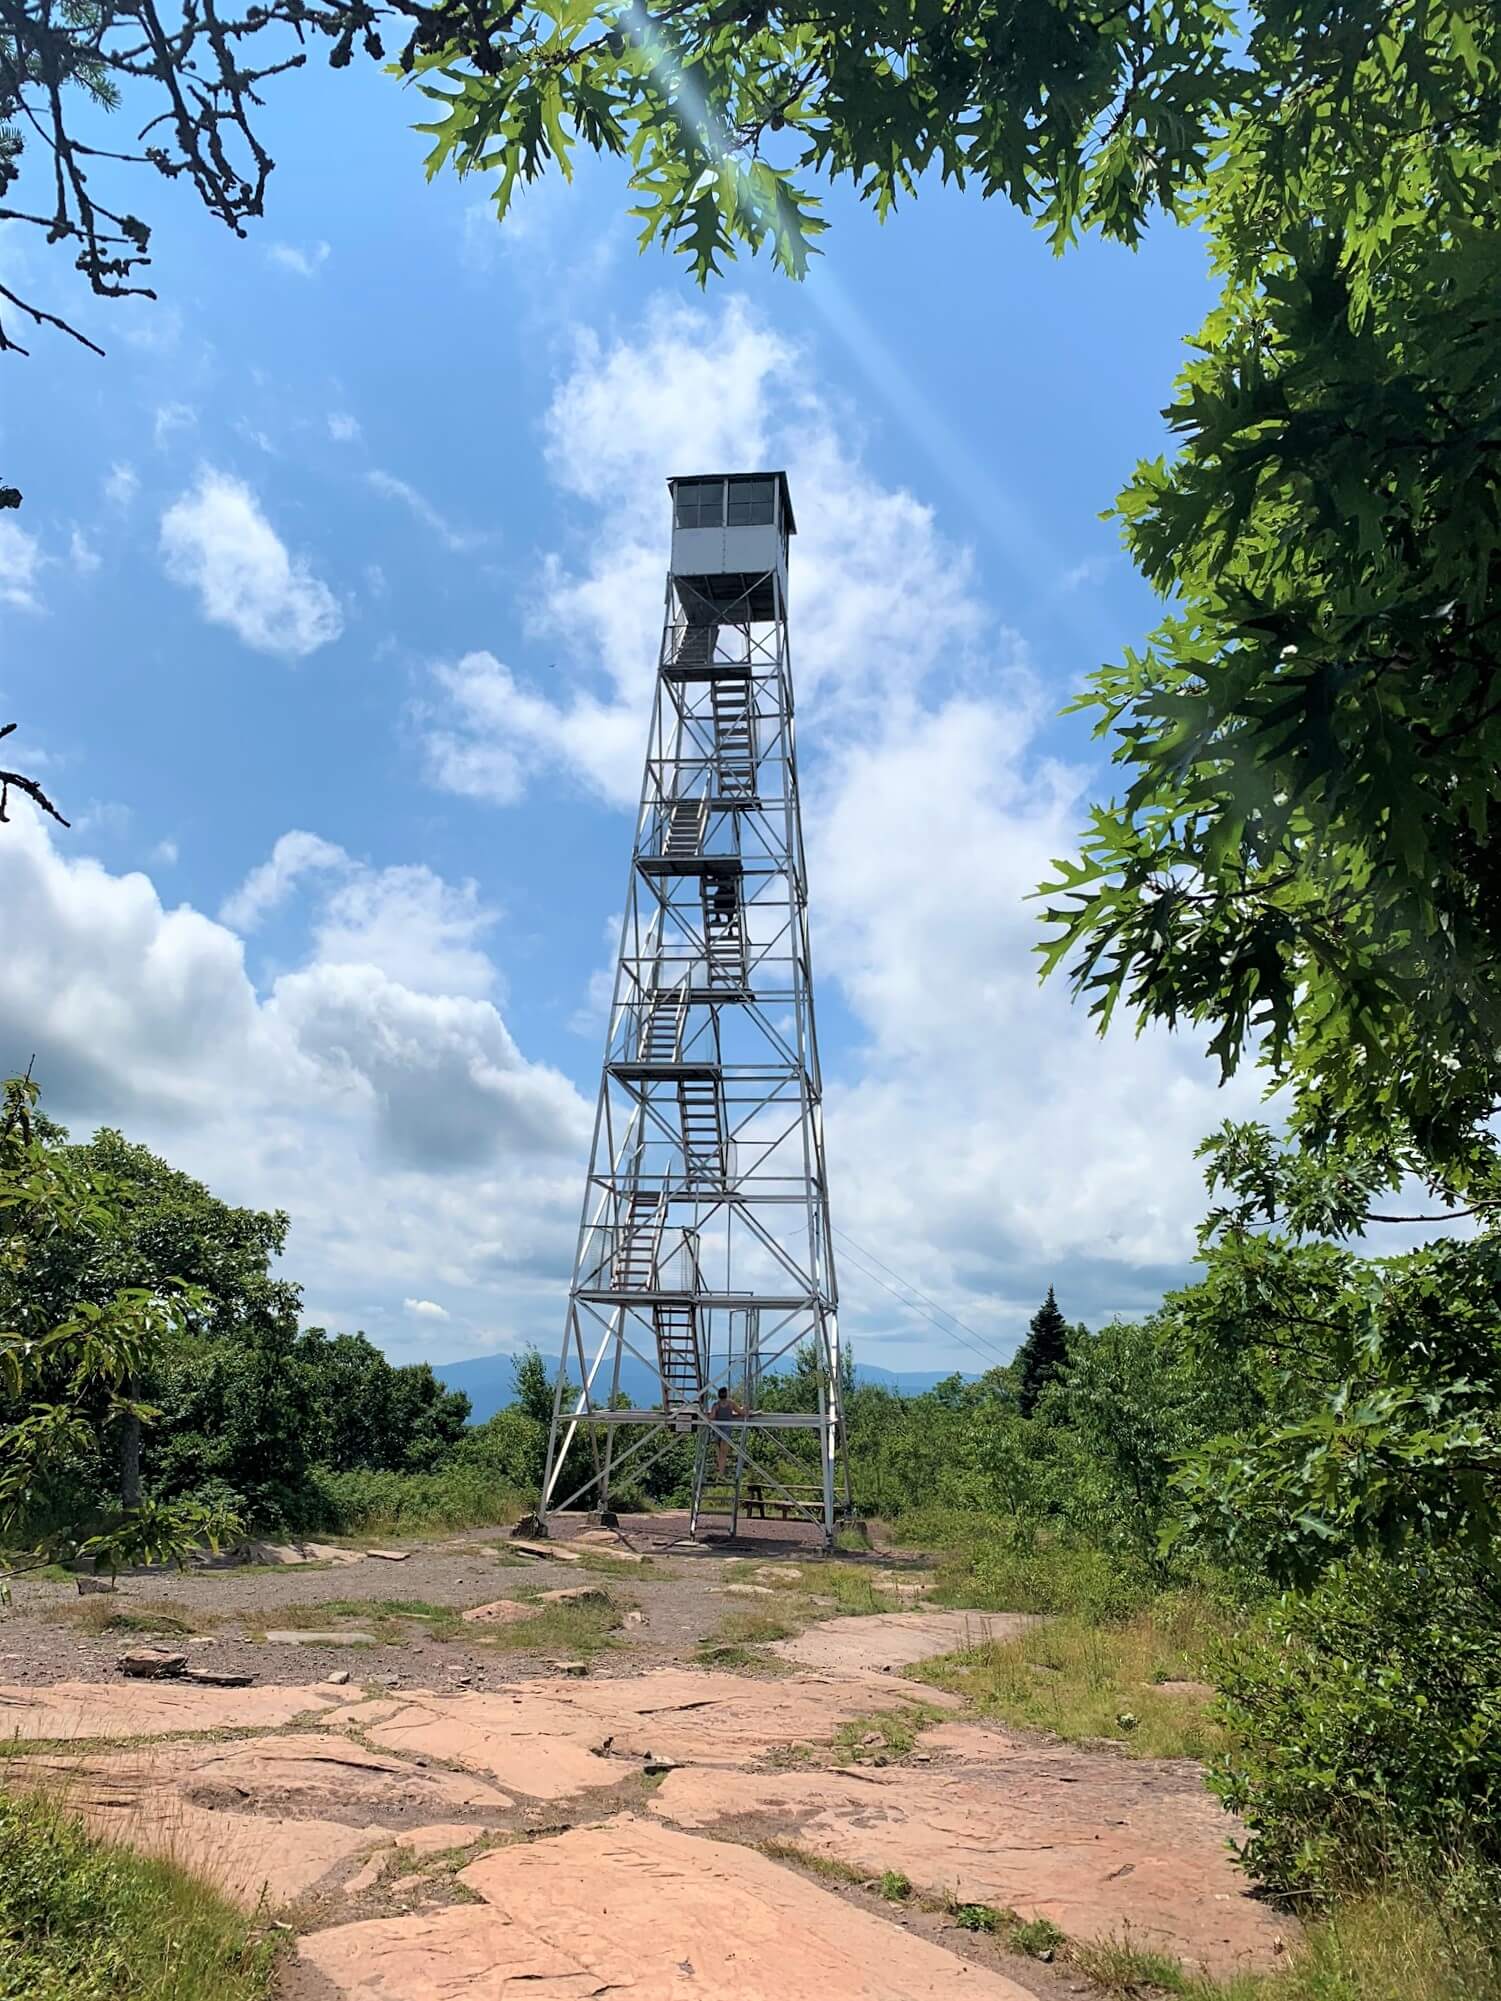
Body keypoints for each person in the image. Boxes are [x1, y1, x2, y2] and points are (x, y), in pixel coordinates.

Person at [710, 1385, 743, 1479]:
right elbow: (741, 1412)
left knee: (718, 1451)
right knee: (724, 1453)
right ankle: (721, 1473)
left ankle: (719, 1471)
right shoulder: (731, 1404)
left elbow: (712, 1417)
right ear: (727, 1394)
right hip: (726, 1430)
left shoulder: (716, 1405)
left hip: (717, 1429)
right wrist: (746, 1410)